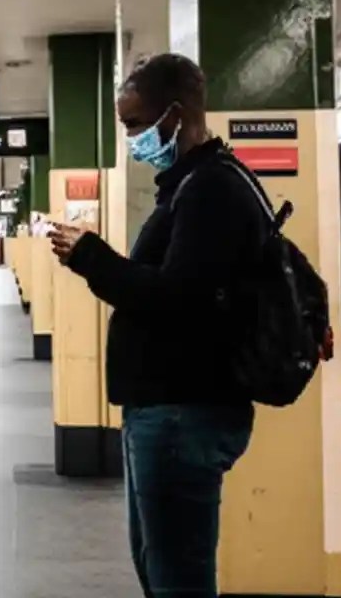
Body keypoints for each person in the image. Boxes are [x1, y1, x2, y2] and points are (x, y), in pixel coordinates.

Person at [47, 53, 265, 597]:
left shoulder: (209, 190)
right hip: (169, 412)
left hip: (181, 416)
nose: (131, 138)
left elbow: (176, 299)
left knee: (177, 578)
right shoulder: (194, 185)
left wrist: (91, 257)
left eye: (135, 124)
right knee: (160, 565)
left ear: (174, 115)